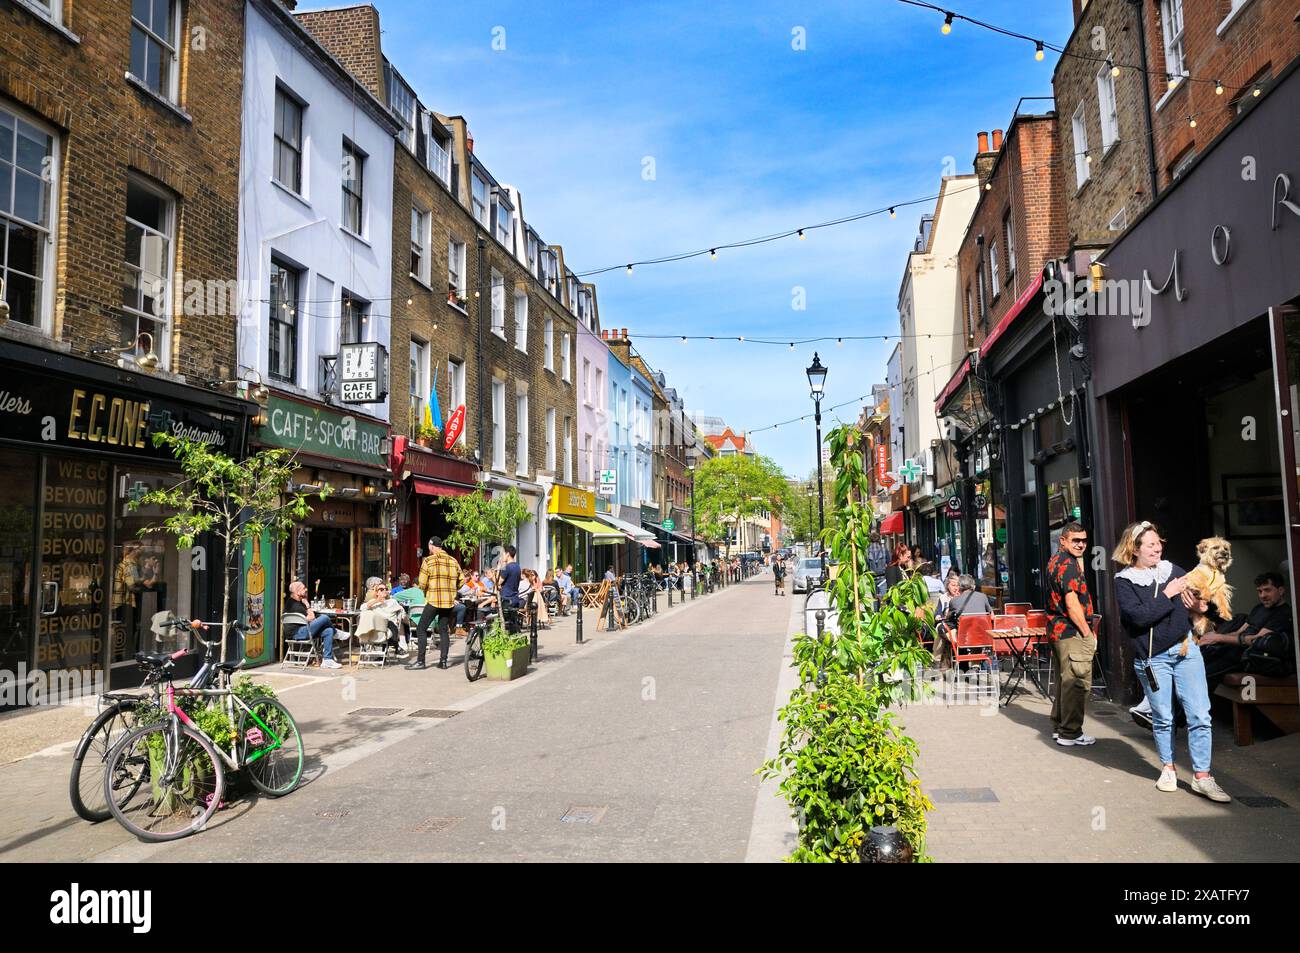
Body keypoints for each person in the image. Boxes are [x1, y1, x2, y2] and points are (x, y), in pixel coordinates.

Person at [1113, 520, 1230, 802]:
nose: (1157, 548)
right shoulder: (1124, 582)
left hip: (1186, 649)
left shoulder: (1173, 570)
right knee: (1163, 718)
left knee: (1200, 714)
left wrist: (1204, 607)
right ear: (1135, 549)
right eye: (1151, 544)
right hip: (1153, 658)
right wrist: (1168, 593)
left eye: (1159, 543)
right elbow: (1139, 618)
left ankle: (1203, 776)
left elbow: (1201, 601)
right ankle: (1168, 768)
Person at [1044, 523, 1097, 748]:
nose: (1081, 544)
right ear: (1063, 541)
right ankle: (1070, 732)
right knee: (1077, 683)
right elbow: (1071, 601)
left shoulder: (1055, 560)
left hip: (1057, 630)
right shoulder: (1068, 565)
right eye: (1075, 540)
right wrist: (1087, 633)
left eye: (1083, 540)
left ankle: (1060, 727)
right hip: (1071, 631)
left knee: (1065, 681)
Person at [1197, 571, 1293, 690]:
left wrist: (1219, 638)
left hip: (1246, 656)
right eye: (1260, 591)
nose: (1262, 595)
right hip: (1231, 649)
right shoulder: (1259, 608)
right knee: (1194, 664)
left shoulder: (1284, 613)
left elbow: (1254, 640)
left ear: (1281, 591)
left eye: (1268, 590)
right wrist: (1212, 638)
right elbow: (1238, 633)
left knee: (1202, 675)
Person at [411, 536, 462, 670]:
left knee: (421, 628)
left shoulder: (428, 561)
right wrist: (451, 589)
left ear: (432, 546)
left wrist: (427, 589)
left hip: (434, 600)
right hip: (448, 602)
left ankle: (421, 661)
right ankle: (443, 662)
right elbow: (462, 580)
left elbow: (421, 583)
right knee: (444, 629)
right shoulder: (453, 560)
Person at [285, 579, 341, 669]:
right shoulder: (295, 605)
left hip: (302, 630)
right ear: (297, 592)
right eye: (303, 588)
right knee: (325, 617)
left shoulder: (295, 602)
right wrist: (307, 604)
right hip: (298, 633)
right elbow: (312, 618)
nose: (306, 589)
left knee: (328, 631)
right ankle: (337, 633)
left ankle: (327, 660)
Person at [360, 577, 409, 660]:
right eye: (381, 589)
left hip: (389, 627)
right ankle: (396, 648)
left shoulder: (392, 602)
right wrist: (377, 601)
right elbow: (362, 608)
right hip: (375, 628)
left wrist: (400, 617)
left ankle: (395, 648)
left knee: (388, 622)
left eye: (386, 589)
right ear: (377, 592)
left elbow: (402, 612)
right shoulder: (373, 602)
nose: (384, 590)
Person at [498, 545, 522, 610]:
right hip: (515, 597)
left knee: (505, 619)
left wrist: (492, 577)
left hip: (507, 599)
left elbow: (498, 582)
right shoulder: (518, 566)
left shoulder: (507, 567)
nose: (502, 557)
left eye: (503, 555)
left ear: (507, 554)